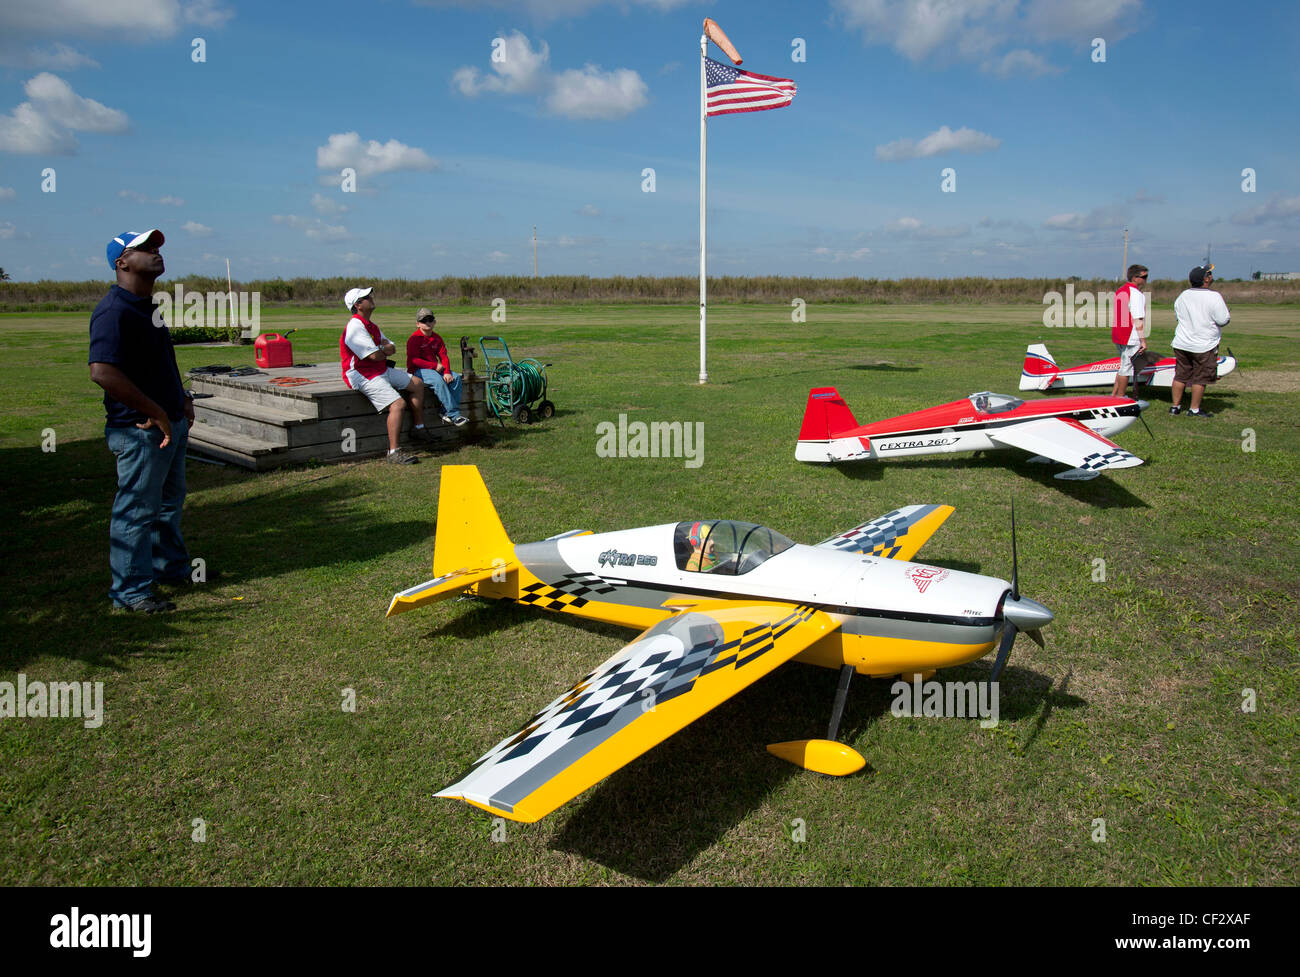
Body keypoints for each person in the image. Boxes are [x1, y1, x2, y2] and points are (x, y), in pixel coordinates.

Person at [88, 229, 192, 613]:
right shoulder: (113, 310)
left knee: (168, 504)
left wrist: (181, 398)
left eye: (157, 247)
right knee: (136, 511)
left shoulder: (147, 306)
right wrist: (156, 412)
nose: (156, 252)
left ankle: (171, 569)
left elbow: (161, 362)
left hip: (169, 422)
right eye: (146, 249)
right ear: (122, 263)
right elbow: (102, 372)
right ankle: (130, 592)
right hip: (141, 430)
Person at [339, 287, 433, 463]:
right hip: (361, 374)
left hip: (378, 369)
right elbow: (374, 355)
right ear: (358, 305)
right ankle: (393, 452)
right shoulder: (355, 327)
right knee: (398, 404)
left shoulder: (371, 326)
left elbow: (391, 348)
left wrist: (382, 350)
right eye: (366, 297)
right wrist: (383, 350)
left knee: (417, 384)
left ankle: (418, 428)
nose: (371, 298)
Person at [1170, 265, 1230, 418]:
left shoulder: (1183, 295)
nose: (1211, 275)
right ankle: (1194, 409)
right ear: (1205, 279)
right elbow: (1223, 320)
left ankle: (1175, 407)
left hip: (1182, 342)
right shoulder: (1214, 296)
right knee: (1200, 378)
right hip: (1204, 344)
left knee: (1180, 375)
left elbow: (1178, 315)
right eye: (1209, 273)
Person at [406, 308, 468, 427]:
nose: (427, 323)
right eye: (423, 320)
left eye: (430, 319)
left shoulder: (437, 338)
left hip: (434, 369)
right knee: (437, 380)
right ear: (417, 324)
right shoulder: (414, 339)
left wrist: (447, 372)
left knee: (456, 378)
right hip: (417, 370)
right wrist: (434, 365)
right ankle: (454, 415)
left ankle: (444, 411)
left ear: (435, 322)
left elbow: (444, 356)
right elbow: (414, 360)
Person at [1111, 264, 1148, 397]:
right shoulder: (1136, 294)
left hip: (1118, 333)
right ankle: (1120, 398)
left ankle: (1114, 395)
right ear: (1134, 278)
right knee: (1126, 369)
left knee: (1123, 366)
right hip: (1130, 335)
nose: (1145, 280)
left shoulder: (1120, 290)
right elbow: (1138, 318)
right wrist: (1143, 340)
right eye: (1143, 277)